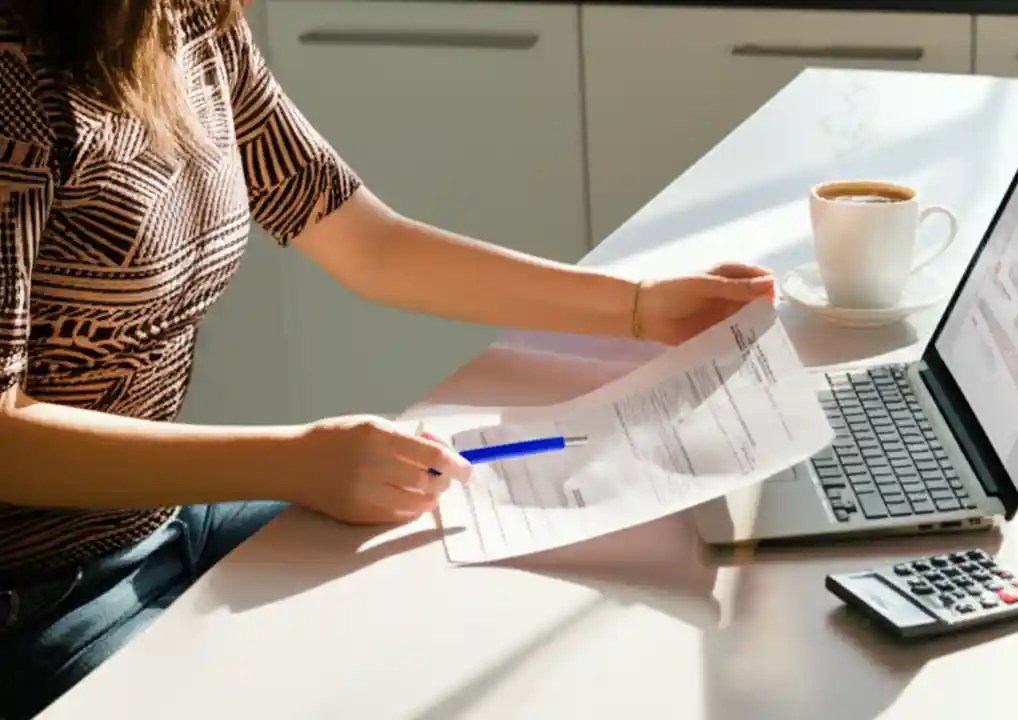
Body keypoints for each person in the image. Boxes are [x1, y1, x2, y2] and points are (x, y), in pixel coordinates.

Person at [0, 0, 775, 716]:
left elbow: (366, 242)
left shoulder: (185, 20)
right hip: (41, 596)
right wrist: (295, 462)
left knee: (449, 595)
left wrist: (637, 306)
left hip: (166, 530)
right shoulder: (16, 79)